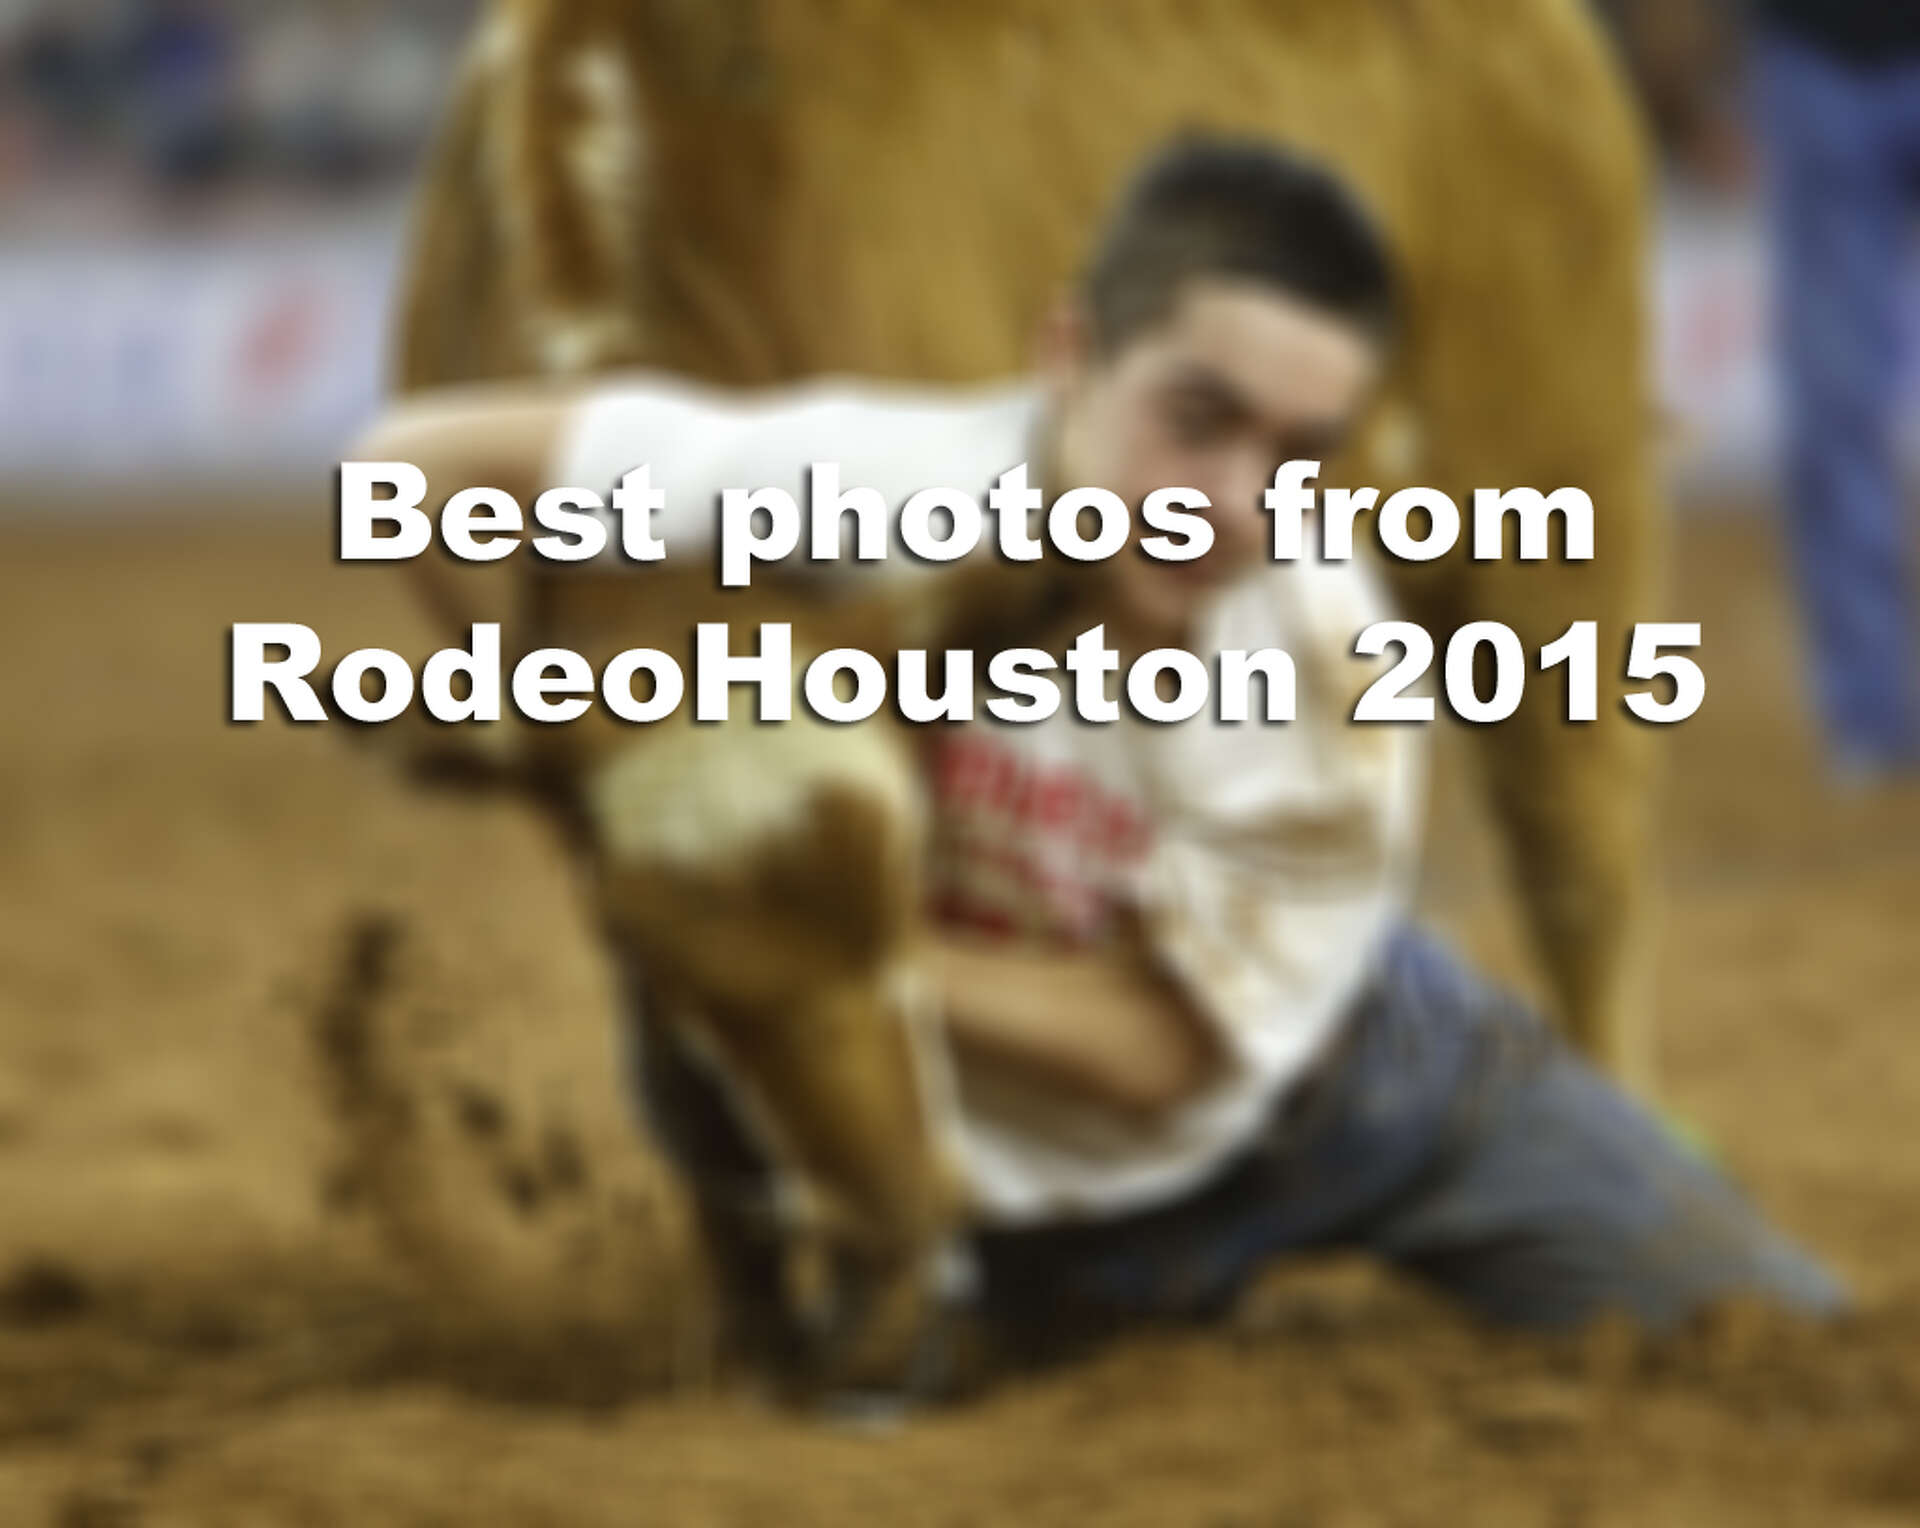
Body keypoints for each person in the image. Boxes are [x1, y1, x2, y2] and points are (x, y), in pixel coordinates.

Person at [358, 139, 1844, 1386]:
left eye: (1297, 455)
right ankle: (802, 1249)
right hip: (978, 1206)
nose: (1232, 504)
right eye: (1195, 422)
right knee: (710, 991)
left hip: (1326, 1096)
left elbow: (1157, 1055)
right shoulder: (871, 484)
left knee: (1775, 1341)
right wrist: (559, 750)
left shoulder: (1327, 668)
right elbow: (412, 471)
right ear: (1067, 358)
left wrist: (803, 943)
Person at [1752, 2, 1920, 778]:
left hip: (1819, 55)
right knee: (1836, 398)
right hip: (1817, 49)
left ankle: (1867, 713)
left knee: (1839, 399)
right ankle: (1868, 714)